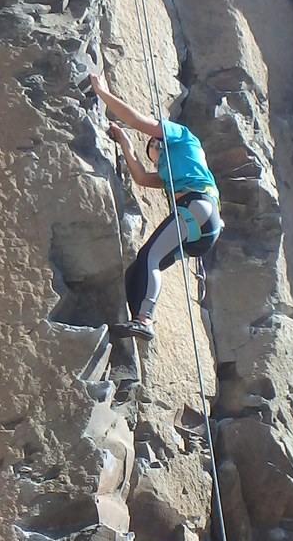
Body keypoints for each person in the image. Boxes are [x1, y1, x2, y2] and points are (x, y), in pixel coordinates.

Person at [90, 71, 222, 340]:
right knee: (146, 266)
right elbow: (140, 177)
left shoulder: (182, 136)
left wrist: (103, 94)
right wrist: (126, 145)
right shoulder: (174, 174)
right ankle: (137, 316)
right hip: (203, 226)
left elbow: (138, 121)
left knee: (149, 256)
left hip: (197, 208)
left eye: (155, 155)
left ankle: (144, 320)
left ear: (161, 143)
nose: (157, 165)